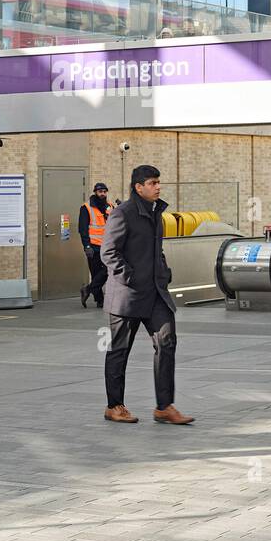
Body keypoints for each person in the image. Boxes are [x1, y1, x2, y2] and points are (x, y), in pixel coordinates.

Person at [101, 165, 193, 425]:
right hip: (127, 295)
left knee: (167, 342)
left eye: (158, 182)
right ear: (138, 187)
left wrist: (163, 272)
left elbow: (156, 251)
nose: (158, 187)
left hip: (155, 294)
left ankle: (164, 407)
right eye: (152, 183)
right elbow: (108, 252)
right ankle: (114, 406)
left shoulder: (156, 213)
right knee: (120, 350)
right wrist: (130, 278)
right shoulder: (123, 213)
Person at [78, 182, 112, 309]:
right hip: (93, 246)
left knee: (109, 270)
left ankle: (87, 289)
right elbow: (82, 228)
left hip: (107, 246)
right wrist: (86, 246)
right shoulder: (86, 208)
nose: (102, 194)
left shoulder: (110, 206)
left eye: (104, 191)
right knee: (96, 272)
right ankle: (100, 301)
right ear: (95, 192)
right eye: (100, 192)